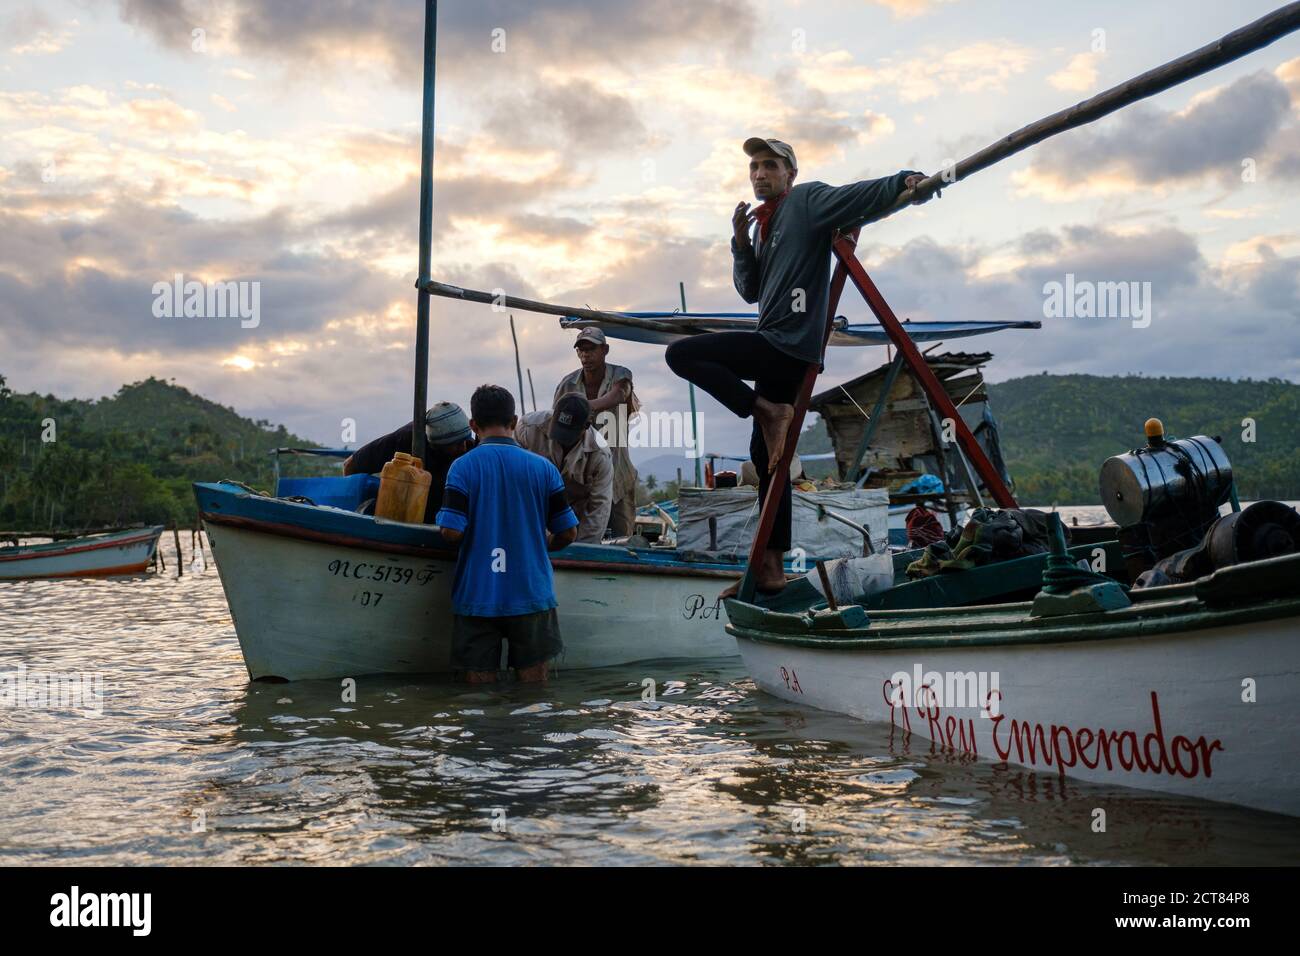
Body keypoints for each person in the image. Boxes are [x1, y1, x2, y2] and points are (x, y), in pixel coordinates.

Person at [665, 137, 931, 593]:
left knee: (682, 353)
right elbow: (750, 291)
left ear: (790, 173)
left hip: (787, 344)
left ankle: (767, 411)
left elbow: (860, 196)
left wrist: (905, 181)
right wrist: (739, 242)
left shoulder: (806, 201)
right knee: (767, 460)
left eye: (769, 166)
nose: (759, 174)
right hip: (774, 340)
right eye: (754, 167)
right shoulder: (767, 226)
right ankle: (769, 569)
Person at [435, 385, 578, 684]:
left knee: (479, 700)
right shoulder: (544, 469)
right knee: (534, 696)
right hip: (531, 592)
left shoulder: (461, 469)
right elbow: (568, 532)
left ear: (473, 426)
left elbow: (450, 531)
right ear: (514, 421)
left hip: (478, 594)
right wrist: (543, 543)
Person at [553, 327, 640, 537]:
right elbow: (556, 425)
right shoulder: (567, 384)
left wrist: (583, 407)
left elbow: (620, 393)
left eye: (591, 349)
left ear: (605, 350)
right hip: (579, 477)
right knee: (579, 538)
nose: (585, 355)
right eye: (581, 350)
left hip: (618, 473)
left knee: (621, 538)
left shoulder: (620, 375)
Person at [342, 402, 474, 522]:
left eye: (465, 440)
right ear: (437, 445)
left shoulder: (470, 447)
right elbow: (350, 465)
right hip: (398, 521)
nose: (463, 447)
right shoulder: (406, 439)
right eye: (455, 444)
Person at [515, 393, 613, 544]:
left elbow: (598, 509)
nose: (561, 440)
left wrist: (582, 551)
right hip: (527, 509)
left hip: (571, 521)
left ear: (586, 427)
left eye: (568, 435)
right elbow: (510, 474)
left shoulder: (600, 455)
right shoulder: (528, 428)